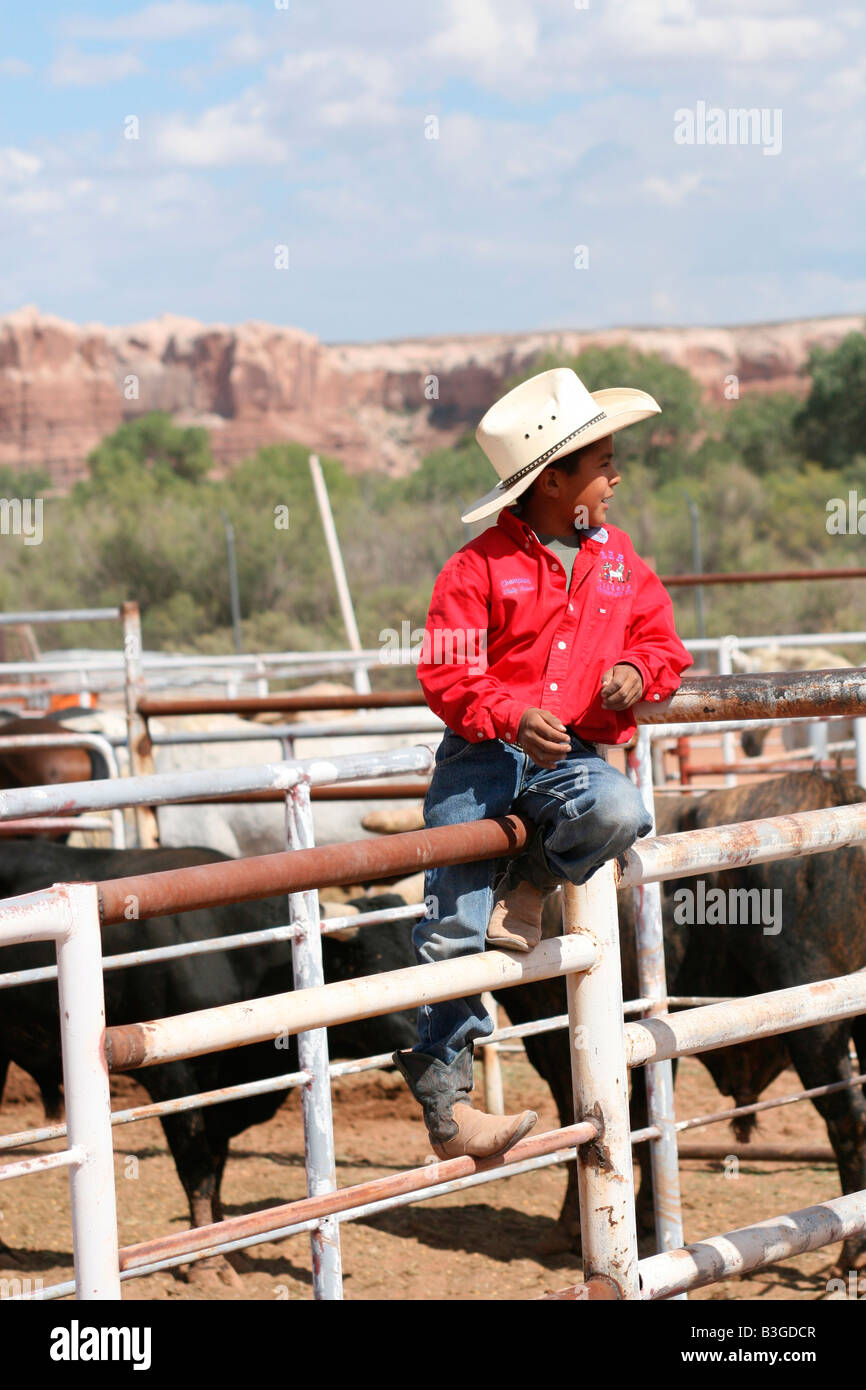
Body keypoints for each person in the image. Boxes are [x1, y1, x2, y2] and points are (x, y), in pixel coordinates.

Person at [392, 367, 693, 1161]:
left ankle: (529, 884)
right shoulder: (476, 569)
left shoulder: (619, 560)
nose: (616, 475)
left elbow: (664, 642)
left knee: (621, 810)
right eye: (603, 462)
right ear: (554, 480)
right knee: (452, 933)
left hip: (567, 764)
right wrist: (506, 714)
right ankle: (446, 1098)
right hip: (482, 762)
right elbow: (448, 673)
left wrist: (639, 670)